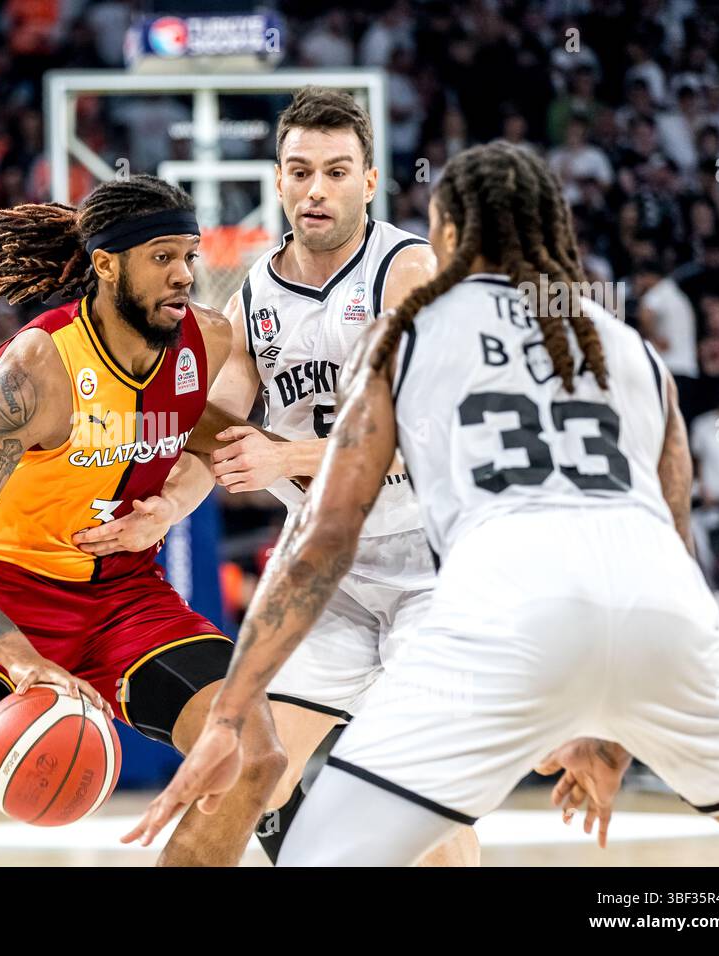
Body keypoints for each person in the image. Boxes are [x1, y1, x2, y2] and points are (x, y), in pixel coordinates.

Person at [127, 141, 719, 866]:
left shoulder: (406, 336)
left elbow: (322, 539)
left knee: (320, 850)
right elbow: (675, 545)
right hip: (669, 621)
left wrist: (231, 707)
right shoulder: (632, 349)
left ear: (444, 236)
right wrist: (614, 728)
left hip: (497, 610)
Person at [0, 175, 287, 866]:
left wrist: (172, 506)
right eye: (162, 257)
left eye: (190, 253)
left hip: (127, 594)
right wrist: (22, 660)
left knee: (253, 757)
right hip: (9, 590)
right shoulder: (39, 366)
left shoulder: (205, 343)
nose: (185, 274)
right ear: (106, 264)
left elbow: (213, 442)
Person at [90, 87, 472, 865]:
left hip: (424, 559)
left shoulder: (409, 270)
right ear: (278, 179)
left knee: (417, 795)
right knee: (244, 774)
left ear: (370, 181)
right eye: (300, 171)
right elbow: (222, 434)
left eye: (336, 171)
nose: (317, 189)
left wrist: (288, 458)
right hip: (323, 566)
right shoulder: (256, 290)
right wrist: (162, 508)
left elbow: (429, 434)